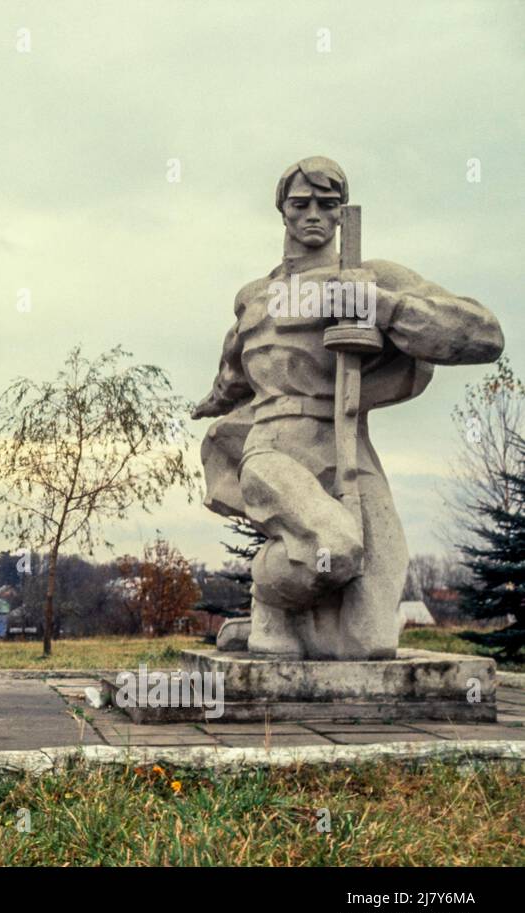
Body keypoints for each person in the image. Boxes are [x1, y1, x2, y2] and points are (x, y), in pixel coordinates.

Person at [193, 156, 502, 659]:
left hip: (348, 450)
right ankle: (268, 600)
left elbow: (483, 335)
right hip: (274, 450)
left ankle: (277, 625)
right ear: (283, 212)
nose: (313, 213)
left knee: (370, 642)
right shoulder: (254, 298)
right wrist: (212, 404)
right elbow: (231, 375)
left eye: (327, 204)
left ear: (341, 214)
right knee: (332, 549)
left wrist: (381, 305)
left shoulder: (370, 277)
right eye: (301, 203)